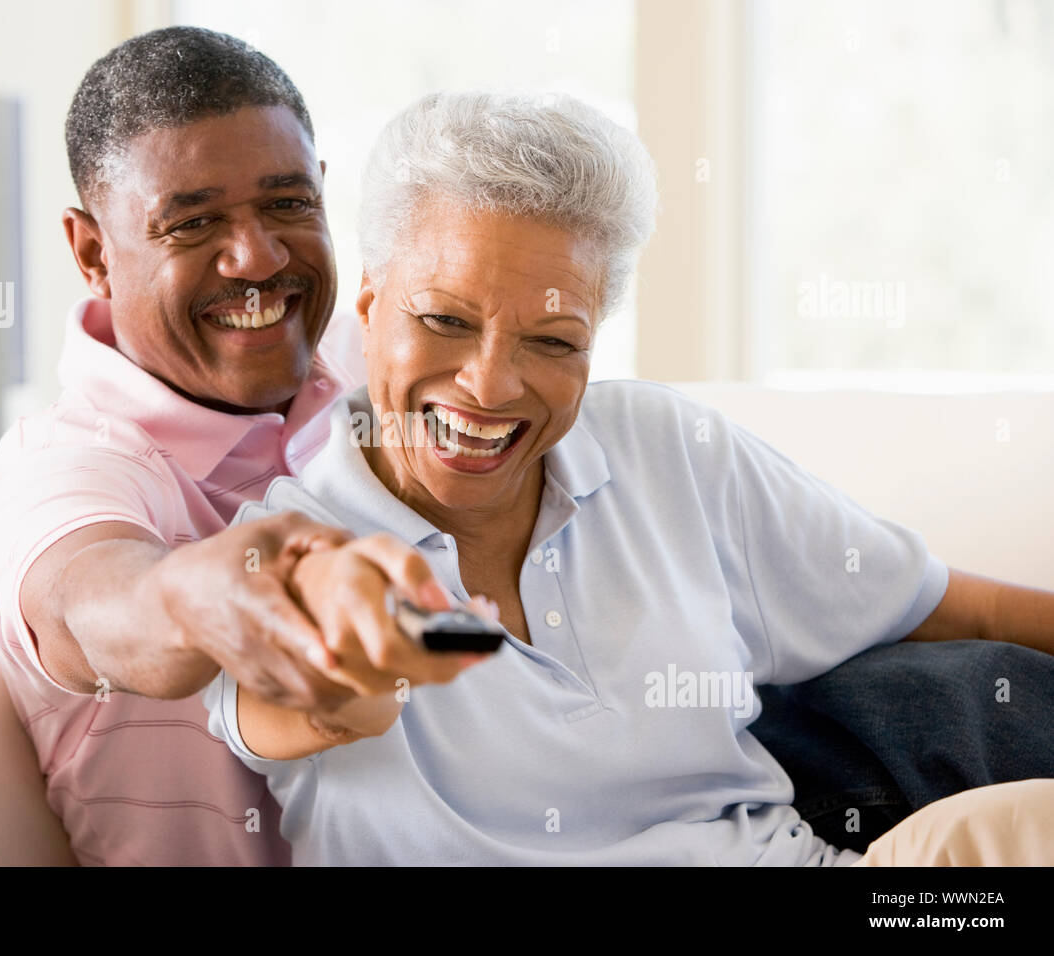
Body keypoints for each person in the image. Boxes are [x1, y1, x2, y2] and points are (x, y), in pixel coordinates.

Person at [203, 90, 1054, 865]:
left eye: (553, 341)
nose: (492, 385)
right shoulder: (279, 550)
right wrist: (368, 659)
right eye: (444, 320)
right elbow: (307, 705)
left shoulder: (662, 446)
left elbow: (949, 607)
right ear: (369, 306)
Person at [0, 27, 469, 866]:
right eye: (193, 223)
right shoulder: (61, 468)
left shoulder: (368, 360)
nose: (259, 257)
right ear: (94, 252)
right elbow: (100, 605)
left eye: (288, 204)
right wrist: (215, 594)